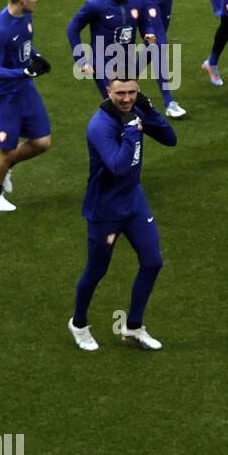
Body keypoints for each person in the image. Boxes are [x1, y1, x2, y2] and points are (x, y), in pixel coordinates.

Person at [69, 77, 175, 351]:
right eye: (120, 93)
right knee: (97, 270)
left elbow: (169, 139)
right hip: (105, 209)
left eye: (132, 92)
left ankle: (134, 326)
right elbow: (118, 166)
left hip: (134, 202)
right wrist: (130, 132)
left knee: (153, 262)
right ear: (109, 91)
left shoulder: (136, 111)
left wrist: (150, 112)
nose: (127, 99)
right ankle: (79, 324)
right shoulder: (99, 126)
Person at [0, 0, 51, 213]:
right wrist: (23, 71)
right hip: (3, 95)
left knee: (42, 142)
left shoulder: (25, 17)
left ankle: (7, 165)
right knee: (6, 149)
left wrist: (36, 55)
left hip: (23, 88)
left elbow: (25, 44)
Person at [66, 0, 158, 99]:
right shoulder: (96, 4)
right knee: (115, 102)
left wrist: (148, 33)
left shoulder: (139, 1)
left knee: (129, 103)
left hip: (127, 61)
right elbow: (73, 29)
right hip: (103, 62)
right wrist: (81, 61)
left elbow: (146, 22)